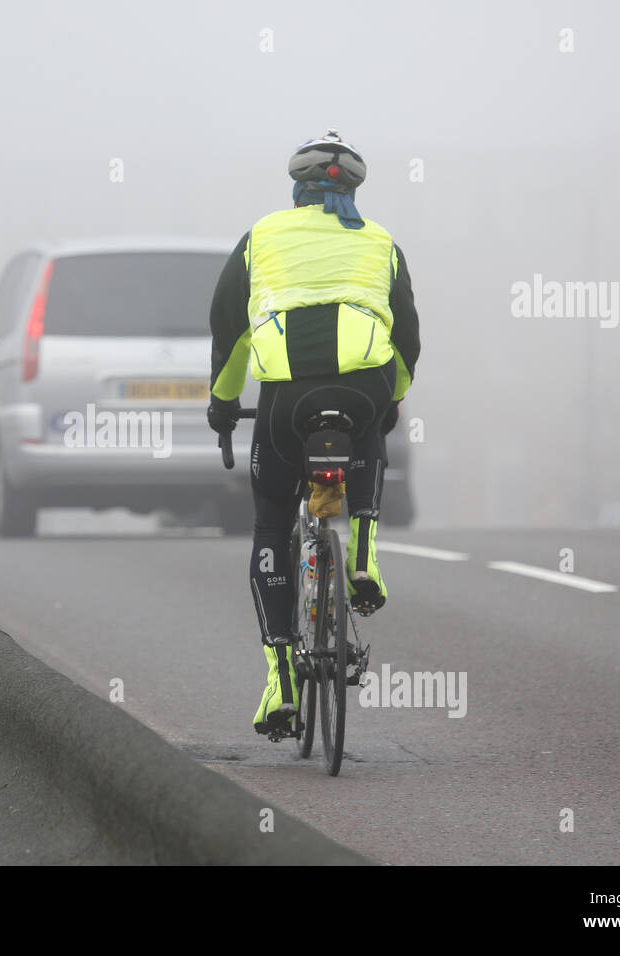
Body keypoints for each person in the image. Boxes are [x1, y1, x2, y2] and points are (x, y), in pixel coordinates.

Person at [206, 130, 421, 736]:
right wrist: (394, 397)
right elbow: (407, 338)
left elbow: (230, 333)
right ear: (354, 189)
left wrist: (223, 406)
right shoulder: (382, 242)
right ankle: (363, 555)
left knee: (273, 521)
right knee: (371, 424)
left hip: (286, 400)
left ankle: (281, 677)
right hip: (362, 390)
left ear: (295, 191)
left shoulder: (262, 237)